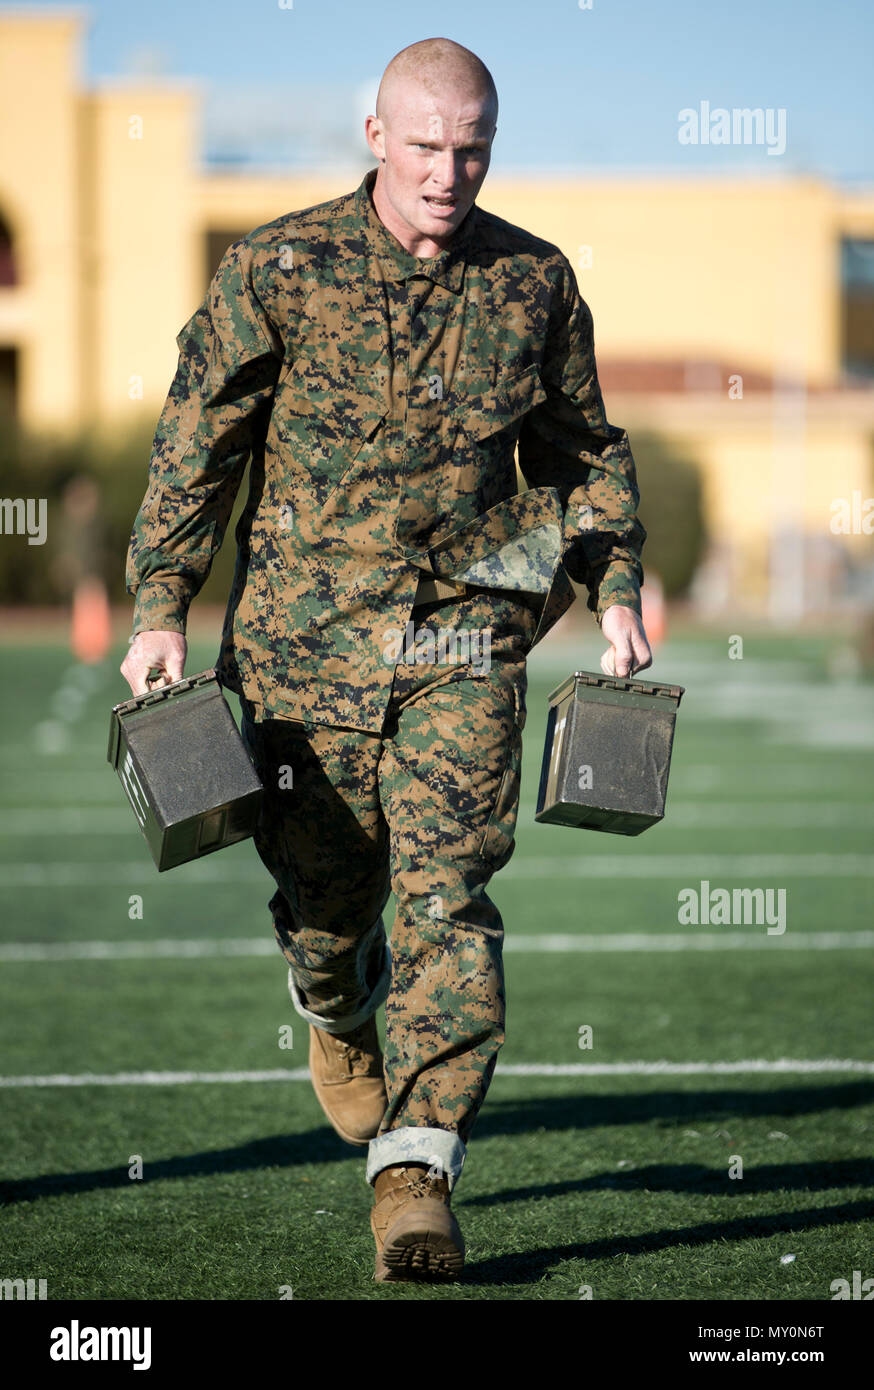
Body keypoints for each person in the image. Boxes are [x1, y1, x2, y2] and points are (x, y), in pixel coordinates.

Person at [121, 36, 651, 1284]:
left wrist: (614, 581)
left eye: (473, 148)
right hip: (304, 648)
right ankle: (328, 987)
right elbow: (199, 438)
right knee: (328, 892)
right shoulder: (279, 266)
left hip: (467, 633)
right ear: (374, 135)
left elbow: (581, 448)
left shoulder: (534, 280)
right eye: (425, 145)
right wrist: (159, 603)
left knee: (448, 893)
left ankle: (416, 1170)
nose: (447, 171)